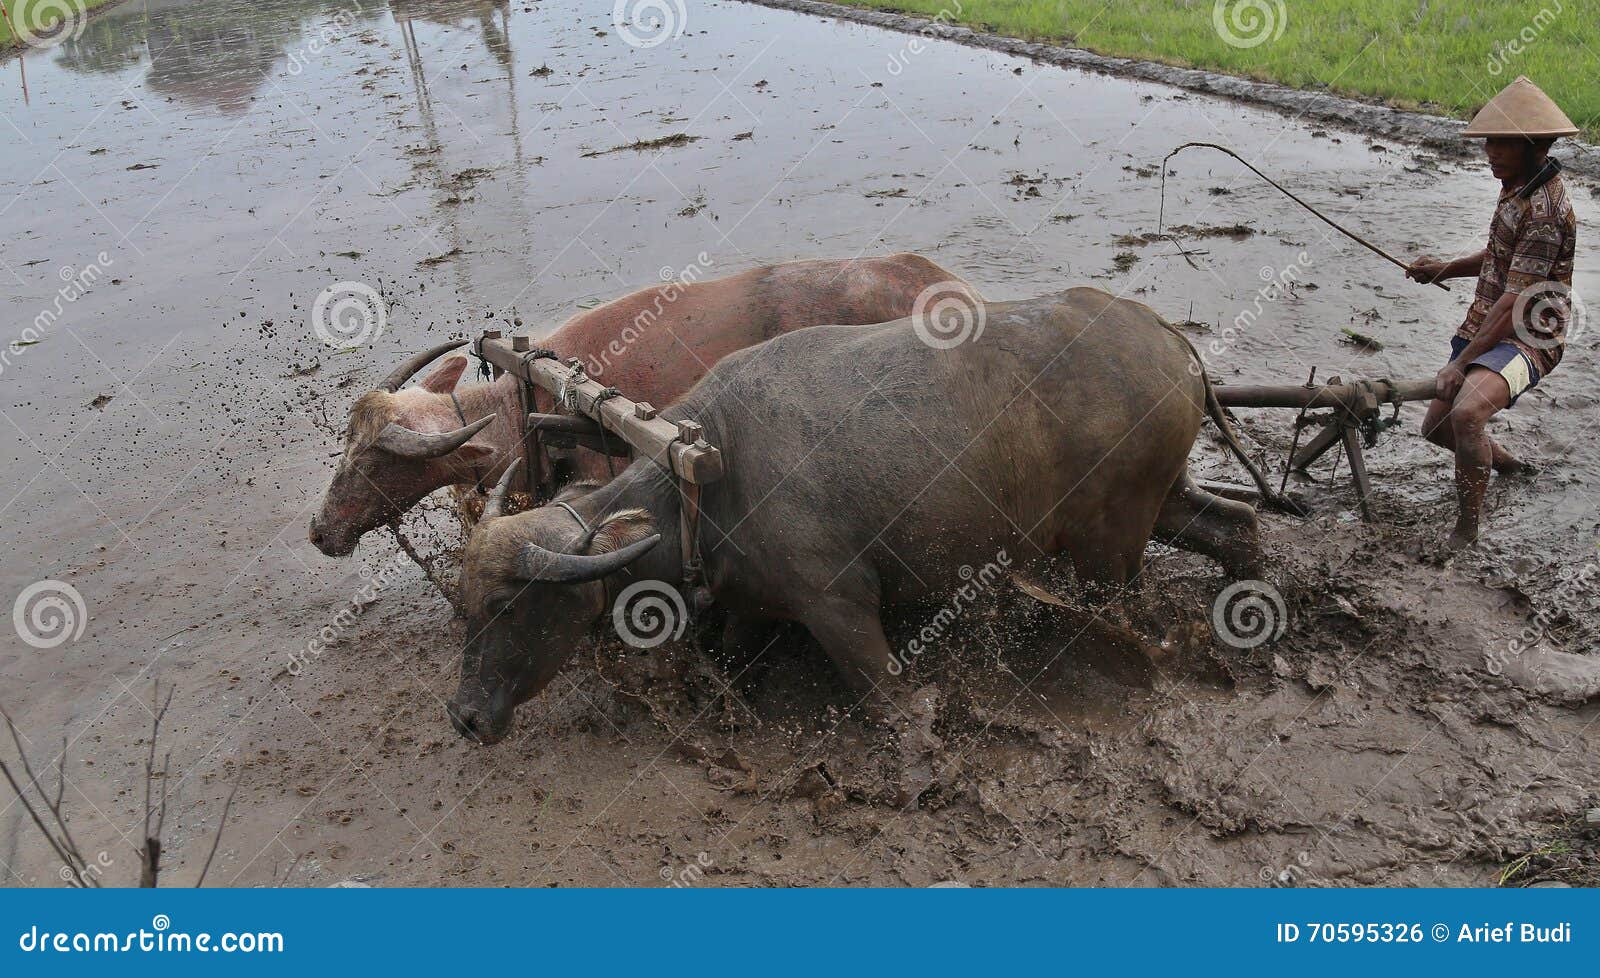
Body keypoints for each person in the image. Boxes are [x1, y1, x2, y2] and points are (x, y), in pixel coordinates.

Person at [1406, 76, 1578, 551]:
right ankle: (1507, 466)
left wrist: (1460, 363)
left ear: (1533, 145)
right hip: (1491, 318)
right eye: (1488, 141)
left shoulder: (1545, 210)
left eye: (1501, 142)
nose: (1489, 151)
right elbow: (1499, 254)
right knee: (1437, 428)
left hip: (1528, 334)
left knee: (1466, 414)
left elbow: (1517, 300)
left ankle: (1466, 531)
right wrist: (1444, 269)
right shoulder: (1518, 187)